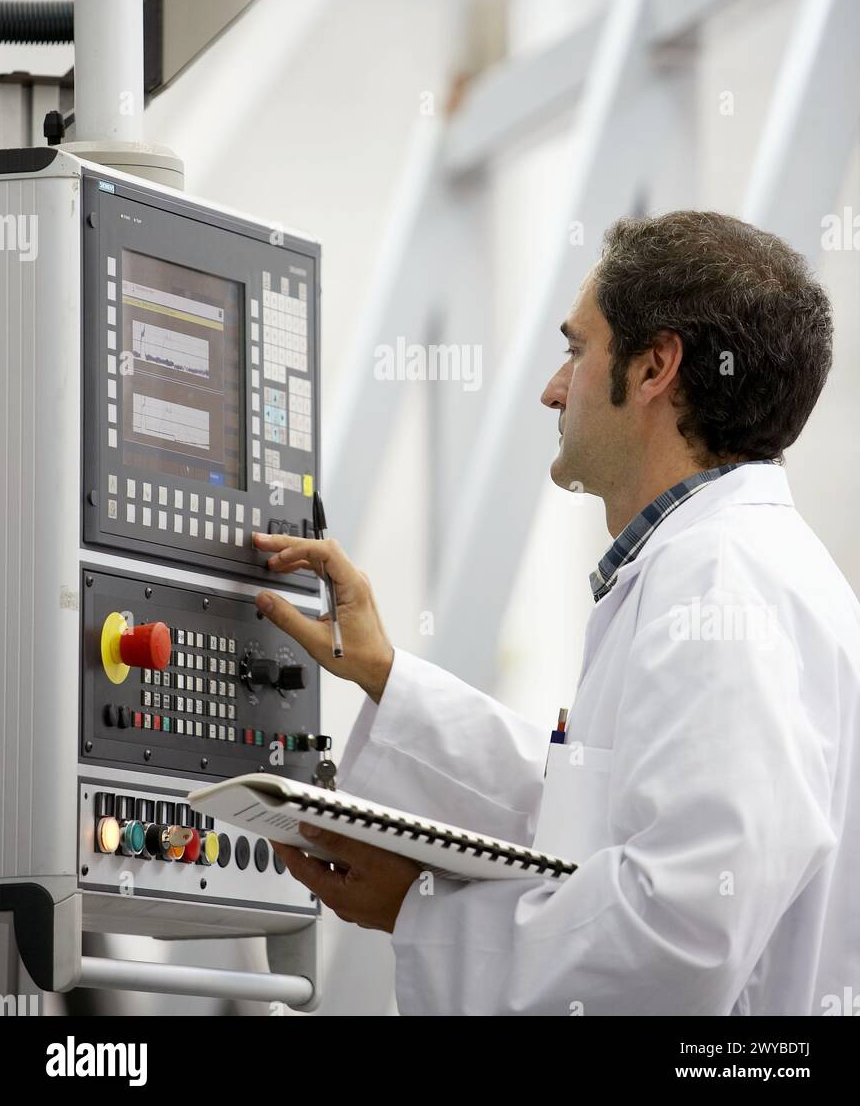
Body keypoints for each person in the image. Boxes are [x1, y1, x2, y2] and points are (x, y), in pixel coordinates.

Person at [253, 210, 860, 1016]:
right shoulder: (724, 566)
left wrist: (422, 914)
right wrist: (385, 676)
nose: (553, 387)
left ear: (655, 368)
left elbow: (682, 932)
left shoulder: (723, 583)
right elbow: (594, 826)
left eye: (576, 350)